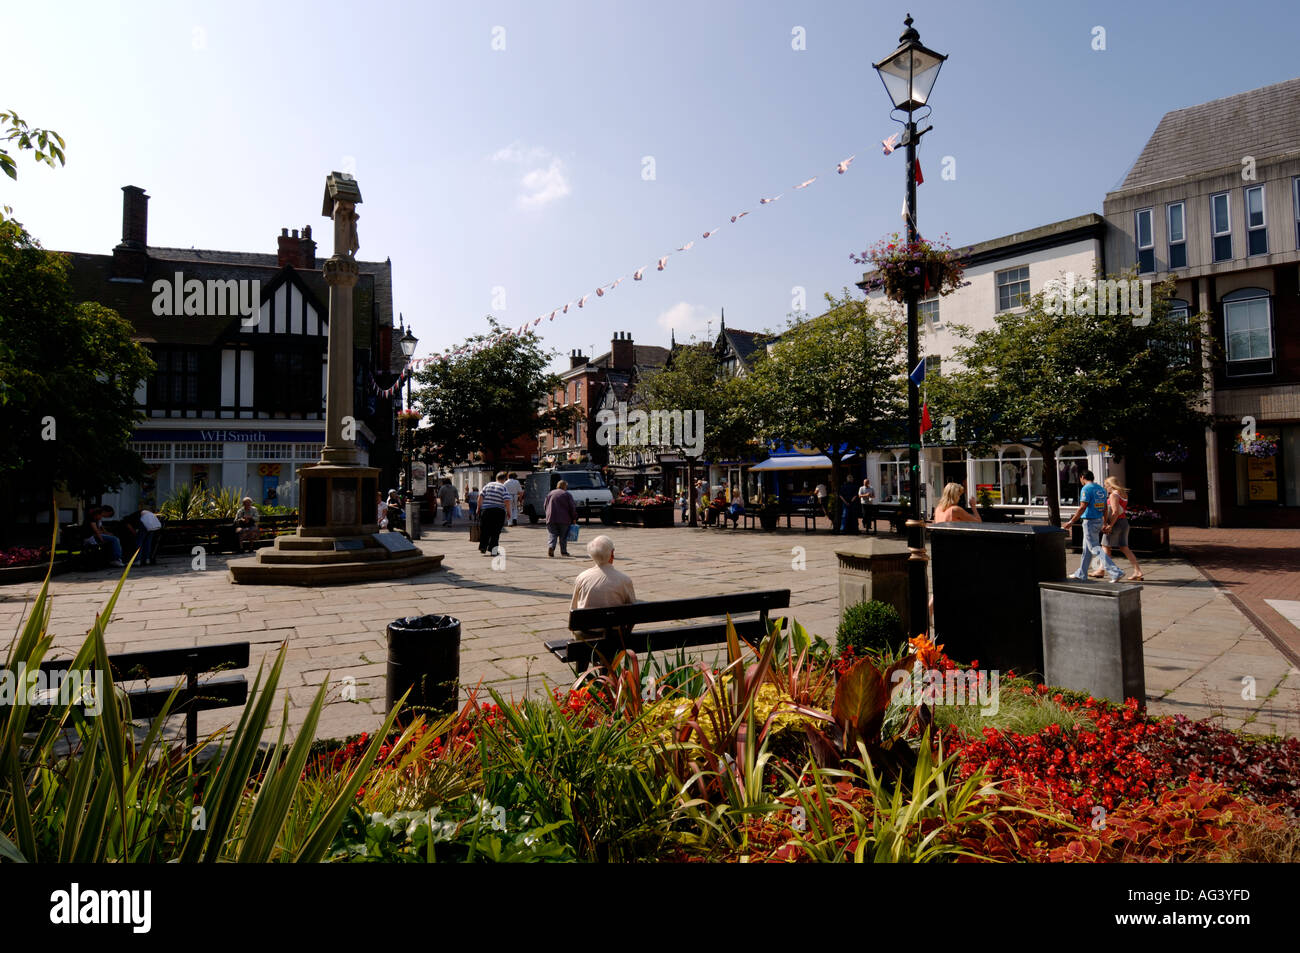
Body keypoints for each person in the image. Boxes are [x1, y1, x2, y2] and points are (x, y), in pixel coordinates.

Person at [1063, 470, 1123, 583]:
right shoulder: (1101, 488)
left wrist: (1071, 521)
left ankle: (1116, 572)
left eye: (1080, 478)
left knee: (1094, 548)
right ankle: (1082, 573)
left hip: (1089, 522)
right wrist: (1104, 522)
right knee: (1087, 549)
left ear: (1082, 477)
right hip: (1098, 520)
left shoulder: (1086, 489)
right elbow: (1105, 508)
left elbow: (1082, 507)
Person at [1092, 477, 1144, 581]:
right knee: (1124, 547)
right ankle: (1137, 571)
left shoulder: (1113, 495)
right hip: (1124, 523)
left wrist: (1110, 525)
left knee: (1105, 546)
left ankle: (1104, 570)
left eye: (1106, 485)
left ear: (1111, 485)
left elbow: (1115, 512)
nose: (1105, 488)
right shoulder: (1123, 494)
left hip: (1116, 523)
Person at [570, 534, 636, 610]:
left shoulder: (582, 578)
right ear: (612, 553)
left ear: (592, 555)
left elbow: (573, 608)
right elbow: (632, 609)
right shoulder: (624, 580)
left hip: (587, 621)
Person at [477, 471, 512, 555]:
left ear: (496, 478)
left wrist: (478, 508)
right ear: (504, 479)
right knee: (495, 531)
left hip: (486, 511)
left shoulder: (487, 485)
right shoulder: (503, 487)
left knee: (485, 529)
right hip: (498, 511)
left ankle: (483, 547)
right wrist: (508, 512)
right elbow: (506, 500)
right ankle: (493, 550)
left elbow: (480, 497)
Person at [545, 478, 579, 557]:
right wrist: (574, 517)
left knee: (552, 534)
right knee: (563, 536)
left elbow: (545, 505)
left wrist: (547, 514)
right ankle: (563, 552)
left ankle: (551, 547)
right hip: (564, 519)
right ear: (565, 486)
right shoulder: (567, 494)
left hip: (551, 518)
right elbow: (572, 507)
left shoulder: (550, 493)